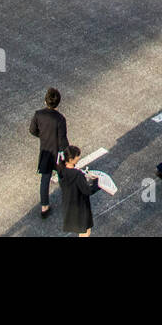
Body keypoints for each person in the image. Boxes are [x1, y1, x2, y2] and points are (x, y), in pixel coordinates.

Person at [29, 87, 70, 218]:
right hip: (58, 154)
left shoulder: (38, 114)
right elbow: (63, 140)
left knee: (45, 179)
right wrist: (68, 154)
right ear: (58, 102)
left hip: (46, 152)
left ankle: (44, 207)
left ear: (45, 101)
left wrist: (42, 136)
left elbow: (32, 130)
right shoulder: (60, 119)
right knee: (63, 177)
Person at [57, 146, 101, 235]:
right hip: (80, 208)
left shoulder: (61, 170)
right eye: (77, 156)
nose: (79, 157)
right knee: (86, 231)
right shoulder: (77, 175)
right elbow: (87, 191)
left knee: (81, 231)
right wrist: (97, 183)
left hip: (69, 206)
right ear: (71, 159)